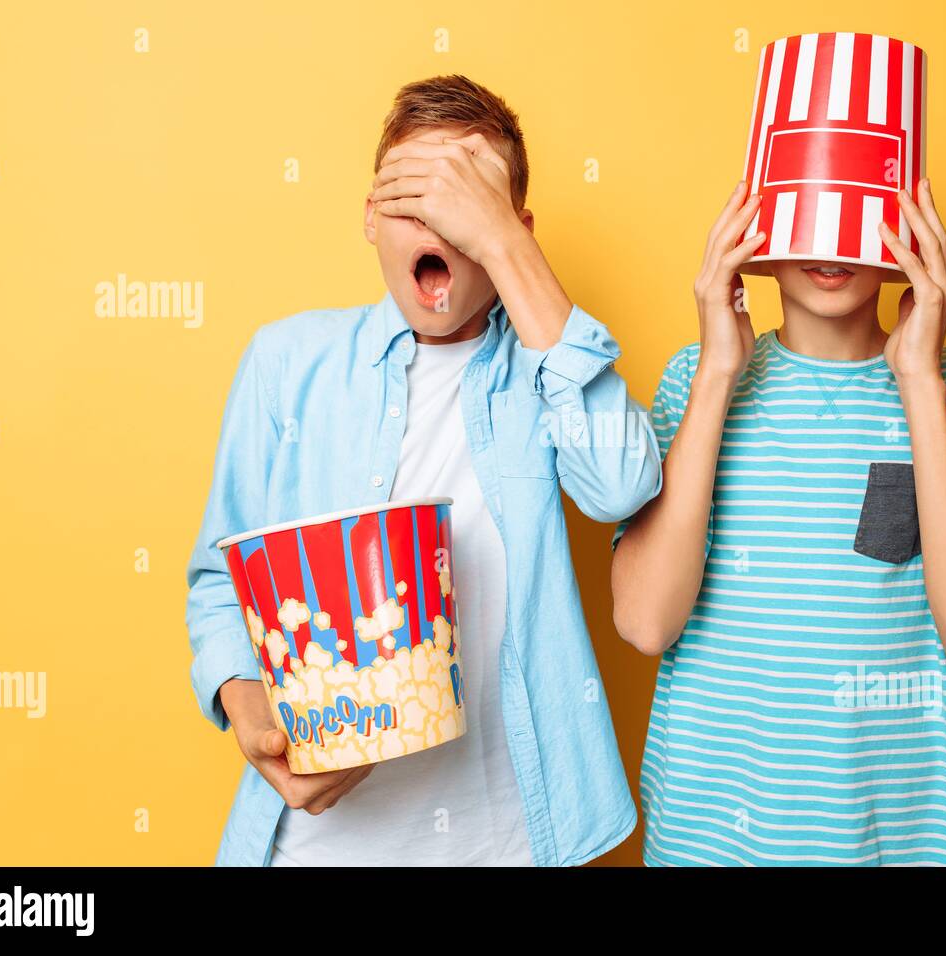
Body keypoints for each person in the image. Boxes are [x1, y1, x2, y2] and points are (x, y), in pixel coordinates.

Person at [185, 74, 660, 866]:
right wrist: (246, 709)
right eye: (412, 203)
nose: (439, 224)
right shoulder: (285, 363)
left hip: (510, 839)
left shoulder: (545, 368)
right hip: (320, 842)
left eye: (465, 206)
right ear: (370, 220)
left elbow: (619, 485)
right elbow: (220, 576)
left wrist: (508, 247)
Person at [610, 178, 946, 865]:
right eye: (810, 205)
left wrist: (920, 381)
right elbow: (645, 621)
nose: (832, 240)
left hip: (894, 845)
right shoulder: (695, 379)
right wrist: (718, 369)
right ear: (759, 225)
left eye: (858, 208)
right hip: (707, 841)